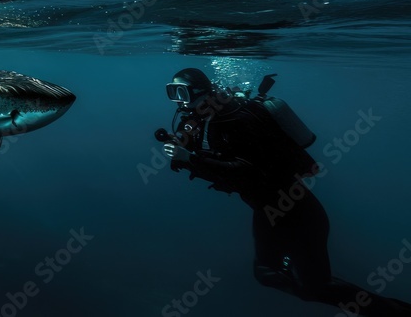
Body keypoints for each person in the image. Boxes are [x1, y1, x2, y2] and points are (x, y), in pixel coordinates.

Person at [157, 68, 411, 316]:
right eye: (173, 92)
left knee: (314, 288)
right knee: (267, 273)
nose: (178, 100)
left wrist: (191, 160)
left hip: (298, 214)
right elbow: (222, 167)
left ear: (202, 92)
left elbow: (248, 173)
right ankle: (302, 271)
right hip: (267, 210)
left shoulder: (236, 119)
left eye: (183, 92)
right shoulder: (206, 120)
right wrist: (186, 157)